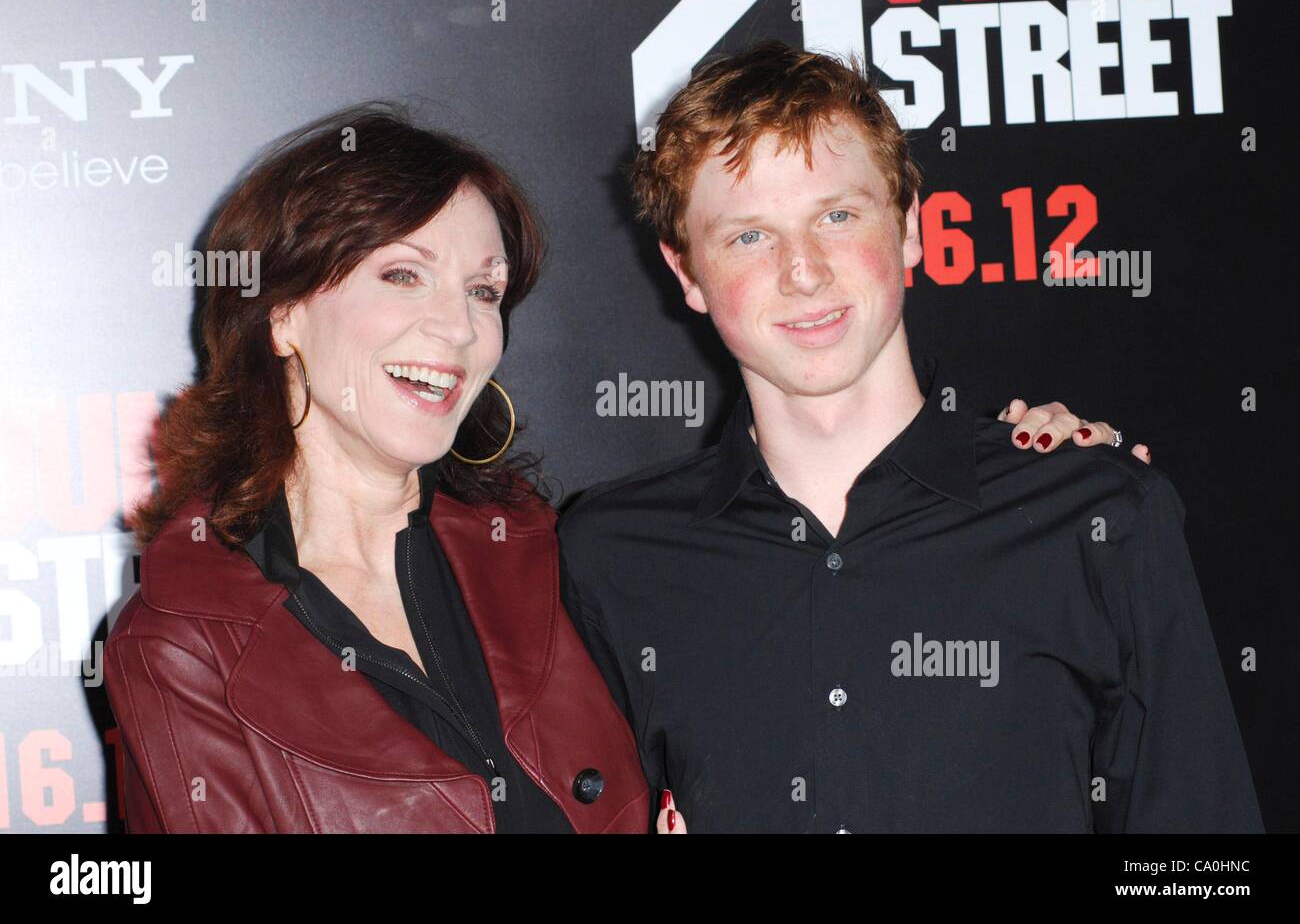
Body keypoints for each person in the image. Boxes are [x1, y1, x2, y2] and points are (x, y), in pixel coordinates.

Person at [558, 41, 1263, 834]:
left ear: (910, 231)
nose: (804, 270)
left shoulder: (1095, 513)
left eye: (837, 215)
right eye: (750, 236)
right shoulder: (607, 556)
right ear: (687, 272)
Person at [104, 106, 650, 832]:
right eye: (403, 274)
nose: (460, 327)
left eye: (483, 291)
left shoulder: (543, 551)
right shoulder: (181, 641)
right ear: (283, 313)